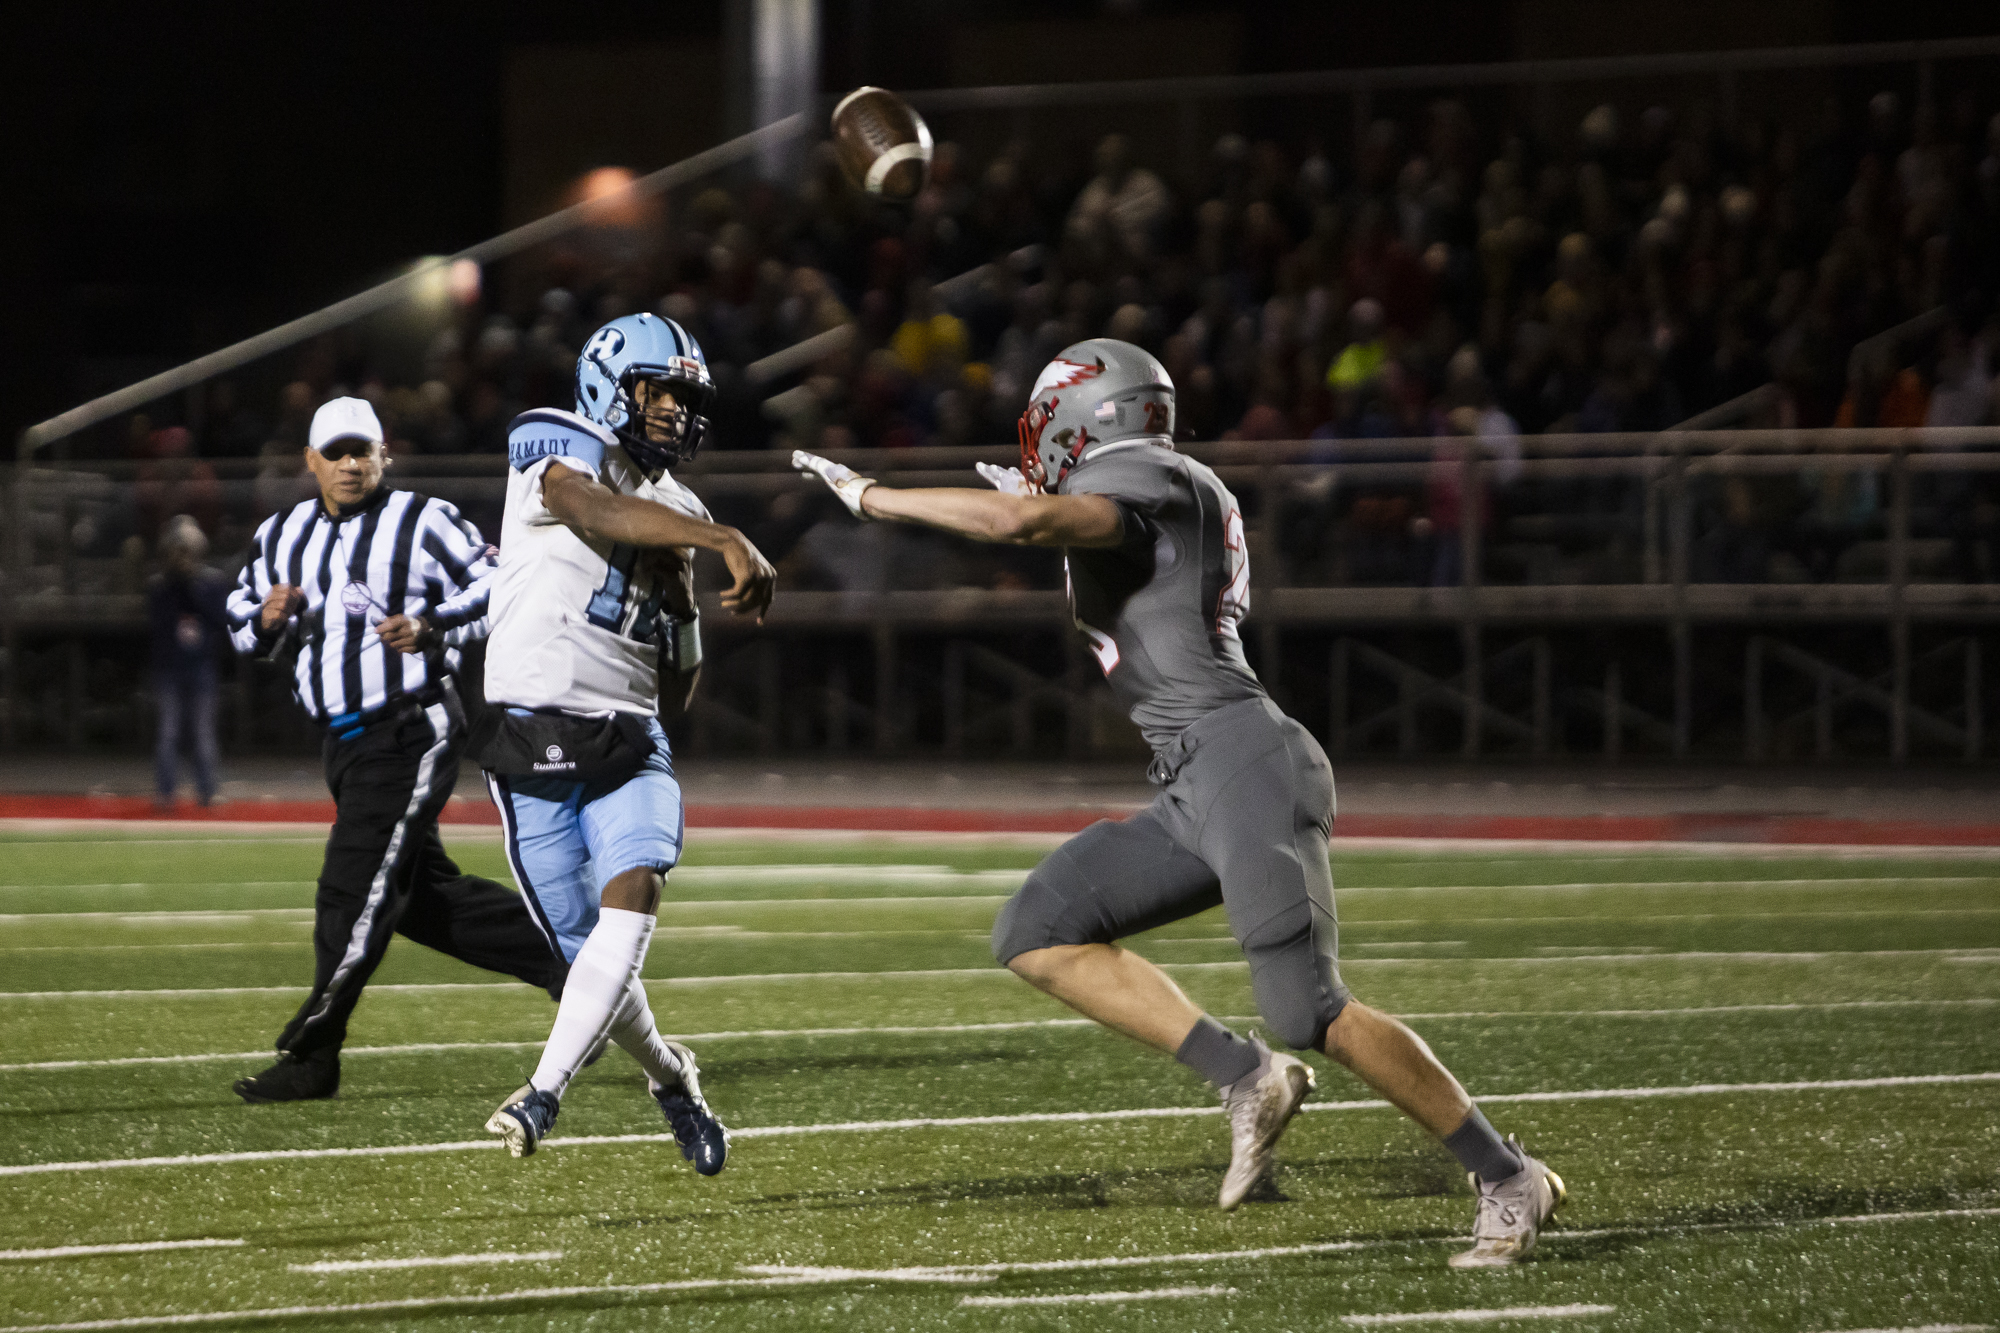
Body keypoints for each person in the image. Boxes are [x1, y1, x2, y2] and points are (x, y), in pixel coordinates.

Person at [794, 339, 1565, 1269]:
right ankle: (1244, 1077)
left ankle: (1508, 1173)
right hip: (1193, 779)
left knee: (1307, 1006)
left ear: (1085, 416)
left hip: (1245, 761)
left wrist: (876, 497)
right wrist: (1040, 508)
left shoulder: (1151, 474)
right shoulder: (1148, 484)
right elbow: (1080, 543)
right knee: (1038, 927)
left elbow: (1021, 529)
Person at [470, 314, 775, 1171]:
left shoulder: (681, 509)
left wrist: (681, 608)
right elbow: (585, 503)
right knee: (587, 968)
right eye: (662, 391)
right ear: (614, 386)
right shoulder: (558, 440)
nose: (677, 411)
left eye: (686, 396)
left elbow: (678, 684)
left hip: (626, 739)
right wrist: (714, 540)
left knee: (632, 897)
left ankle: (541, 1094)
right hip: (527, 738)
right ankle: (674, 1077)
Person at [223, 396, 567, 1104]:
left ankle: (313, 1050)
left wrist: (433, 624)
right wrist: (264, 619)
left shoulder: (425, 519)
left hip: (410, 726)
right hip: (342, 743)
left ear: (386, 455)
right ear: (310, 461)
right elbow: (239, 617)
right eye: (336, 453)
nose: (351, 465)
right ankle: (577, 965)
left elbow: (502, 583)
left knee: (351, 887)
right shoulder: (282, 533)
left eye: (363, 451)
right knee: (421, 899)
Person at [148, 515, 229, 808]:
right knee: (168, 732)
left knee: (203, 732)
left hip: (201, 665)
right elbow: (159, 623)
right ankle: (166, 793)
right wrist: (177, 582)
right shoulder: (161, 585)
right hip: (169, 667)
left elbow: (219, 619)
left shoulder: (211, 582)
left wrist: (192, 584)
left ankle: (207, 792)